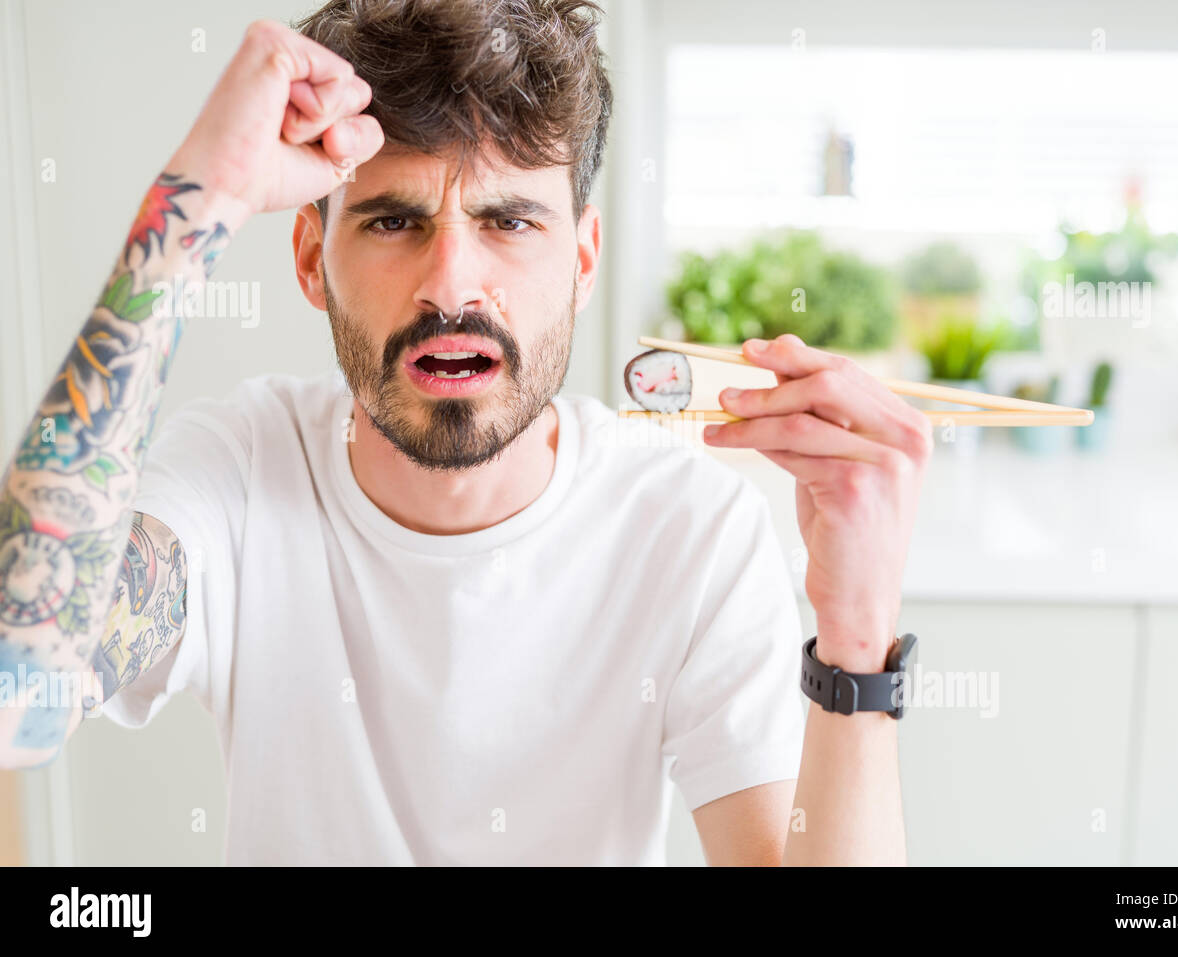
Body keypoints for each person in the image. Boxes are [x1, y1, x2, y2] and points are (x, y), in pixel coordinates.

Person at [0, 0, 932, 865]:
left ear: (580, 259)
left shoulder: (690, 526)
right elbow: (20, 690)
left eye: (509, 220)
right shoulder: (240, 474)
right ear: (311, 260)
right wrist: (193, 200)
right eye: (395, 220)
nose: (451, 285)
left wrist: (857, 637)